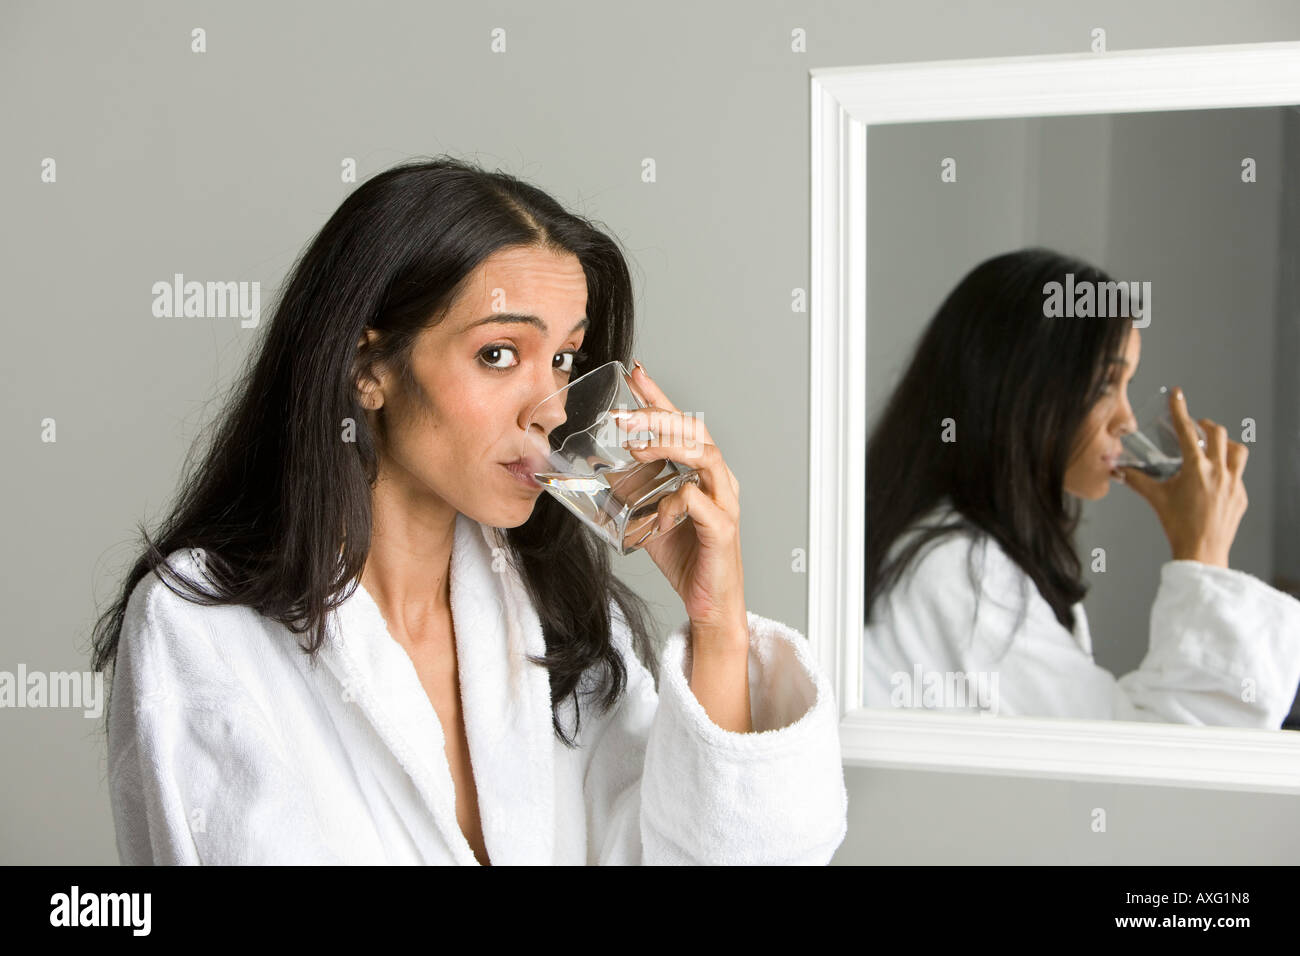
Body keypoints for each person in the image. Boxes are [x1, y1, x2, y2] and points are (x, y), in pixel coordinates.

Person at [93, 157, 847, 864]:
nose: (551, 411)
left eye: (564, 360)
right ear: (367, 370)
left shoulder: (562, 622)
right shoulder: (202, 627)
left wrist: (715, 619)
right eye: (498, 354)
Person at [860, 247, 1300, 725]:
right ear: (1026, 388)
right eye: (1107, 384)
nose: (1128, 420)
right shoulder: (958, 572)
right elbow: (1144, 773)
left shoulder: (963, 555)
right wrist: (1203, 555)